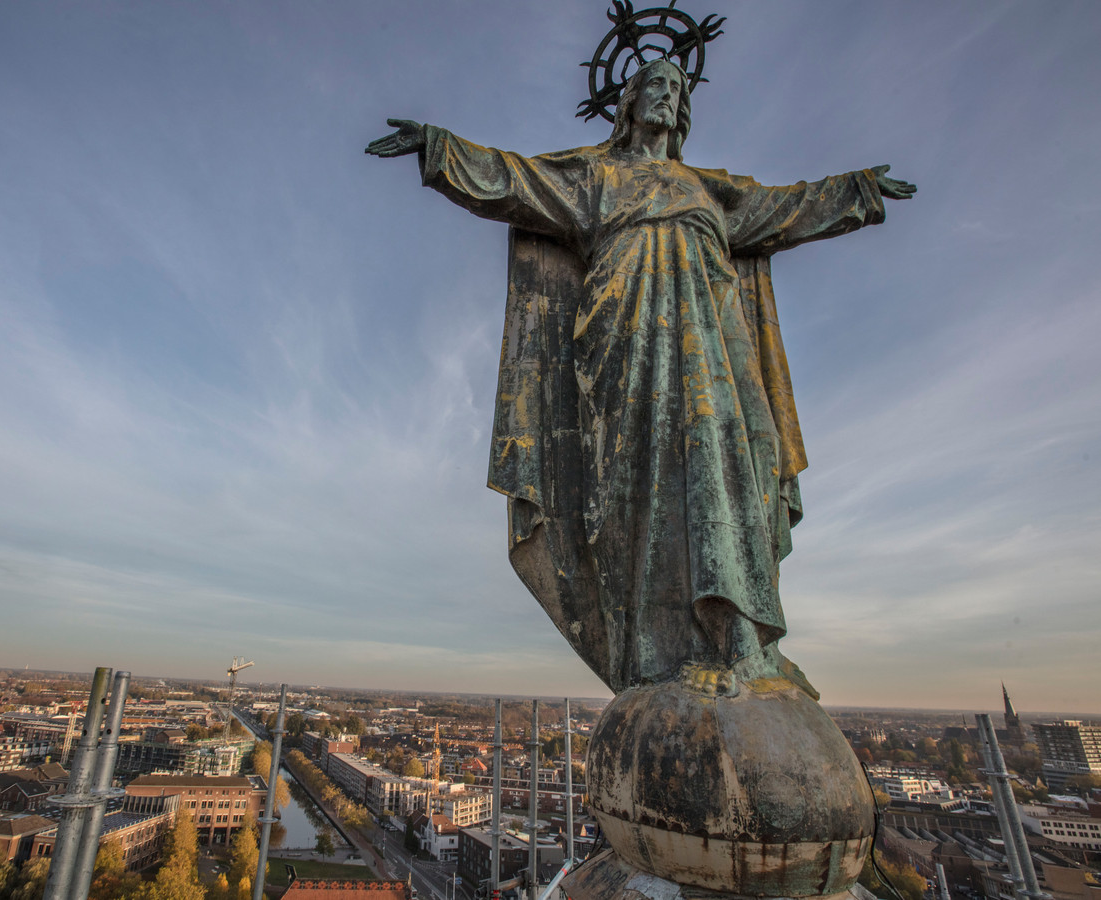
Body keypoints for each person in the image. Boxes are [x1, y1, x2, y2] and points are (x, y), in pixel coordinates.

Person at [366, 58, 915, 695]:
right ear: (628, 102)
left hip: (711, 350)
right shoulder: (595, 176)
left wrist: (856, 191)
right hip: (625, 347)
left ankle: (740, 639)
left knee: (735, 465)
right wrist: (439, 149)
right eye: (655, 82)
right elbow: (516, 179)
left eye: (677, 88)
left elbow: (786, 207)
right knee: (641, 487)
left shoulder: (711, 190)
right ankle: (656, 651)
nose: (667, 94)